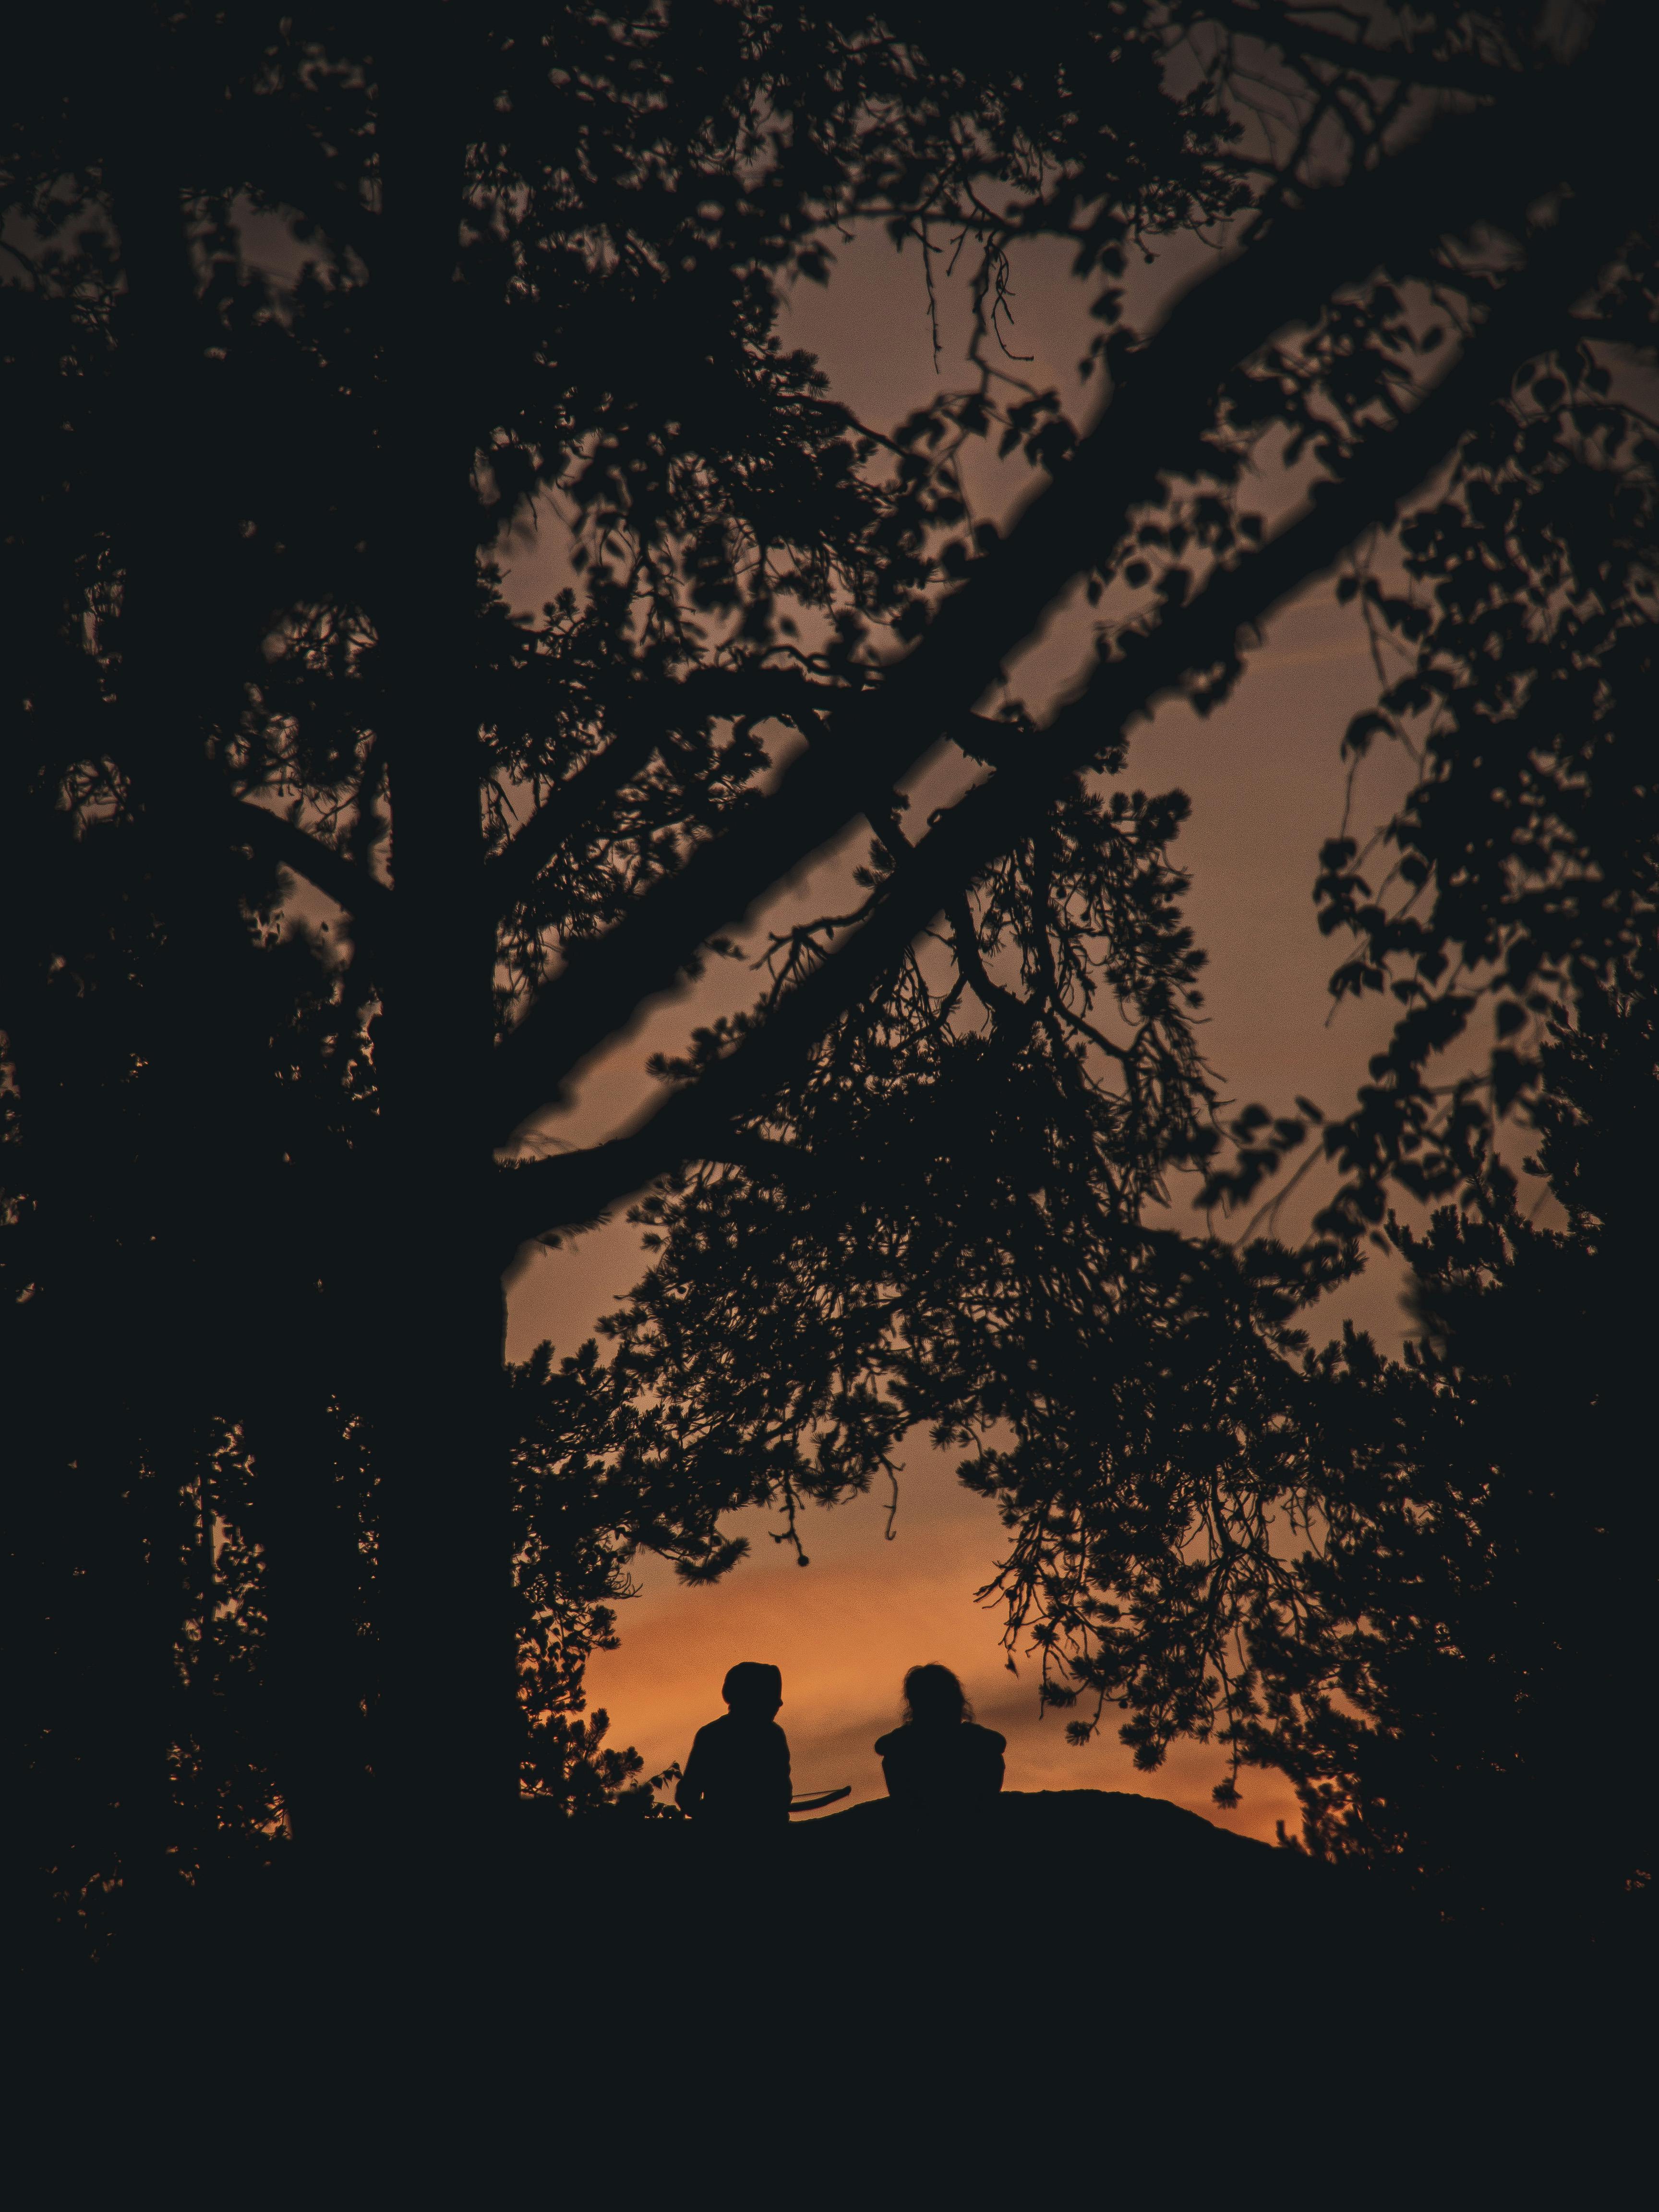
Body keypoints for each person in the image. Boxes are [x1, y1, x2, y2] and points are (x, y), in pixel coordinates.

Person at [676, 1662, 792, 1825]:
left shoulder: (773, 1736)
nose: (777, 1707)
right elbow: (688, 1795)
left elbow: (782, 1792)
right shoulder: (712, 1736)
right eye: (769, 1700)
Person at [875, 1665, 1005, 1809]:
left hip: (965, 1798)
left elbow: (999, 1743)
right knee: (892, 1758)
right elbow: (881, 1746)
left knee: (992, 1755)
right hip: (921, 1800)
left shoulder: (966, 1734)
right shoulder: (909, 1737)